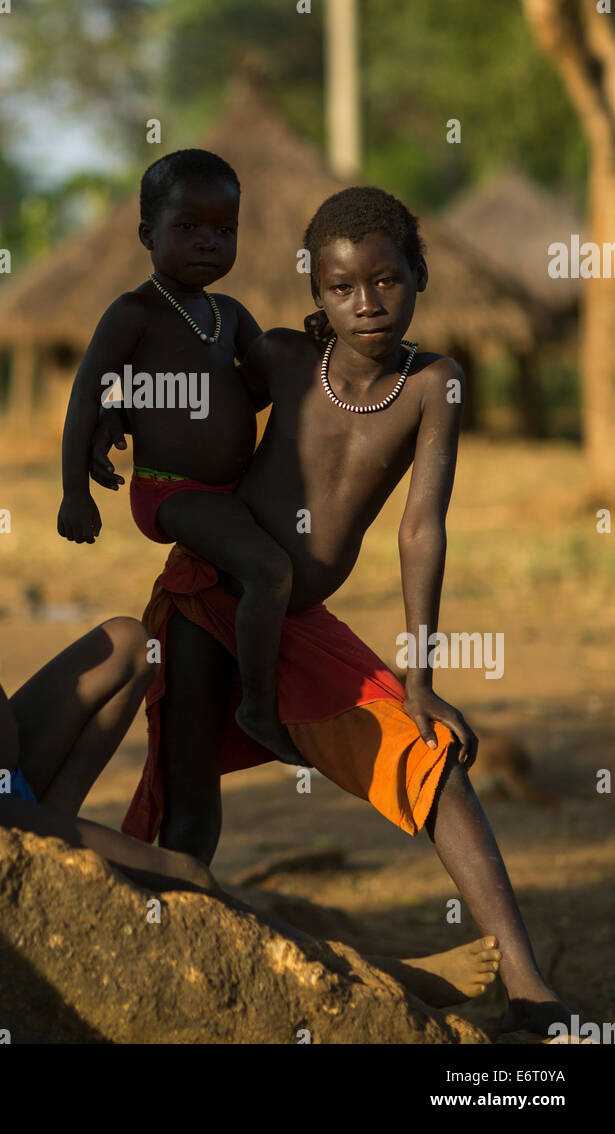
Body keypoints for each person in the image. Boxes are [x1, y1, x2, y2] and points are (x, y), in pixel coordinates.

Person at [0, 367, 501, 1013]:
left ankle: (55, 842)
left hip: (9, 777)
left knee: (127, 642)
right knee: (187, 877)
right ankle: (394, 983)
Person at [118, 186, 571, 1036]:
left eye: (385, 281)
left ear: (419, 276)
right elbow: (197, 403)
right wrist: (120, 420)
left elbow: (420, 528)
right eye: (339, 286)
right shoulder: (284, 360)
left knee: (429, 756)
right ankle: (150, 981)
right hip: (206, 589)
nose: (365, 303)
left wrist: (419, 677)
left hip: (296, 624)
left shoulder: (433, 385)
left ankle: (529, 991)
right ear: (315, 291)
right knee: (186, 813)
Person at [58, 148, 303, 764]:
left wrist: (311, 342)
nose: (208, 243)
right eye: (188, 227)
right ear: (148, 234)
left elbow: (268, 375)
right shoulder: (134, 312)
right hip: (173, 490)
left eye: (225, 230)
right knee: (270, 570)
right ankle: (257, 706)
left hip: (236, 488)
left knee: (276, 344)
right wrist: (74, 492)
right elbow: (87, 393)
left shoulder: (230, 315)